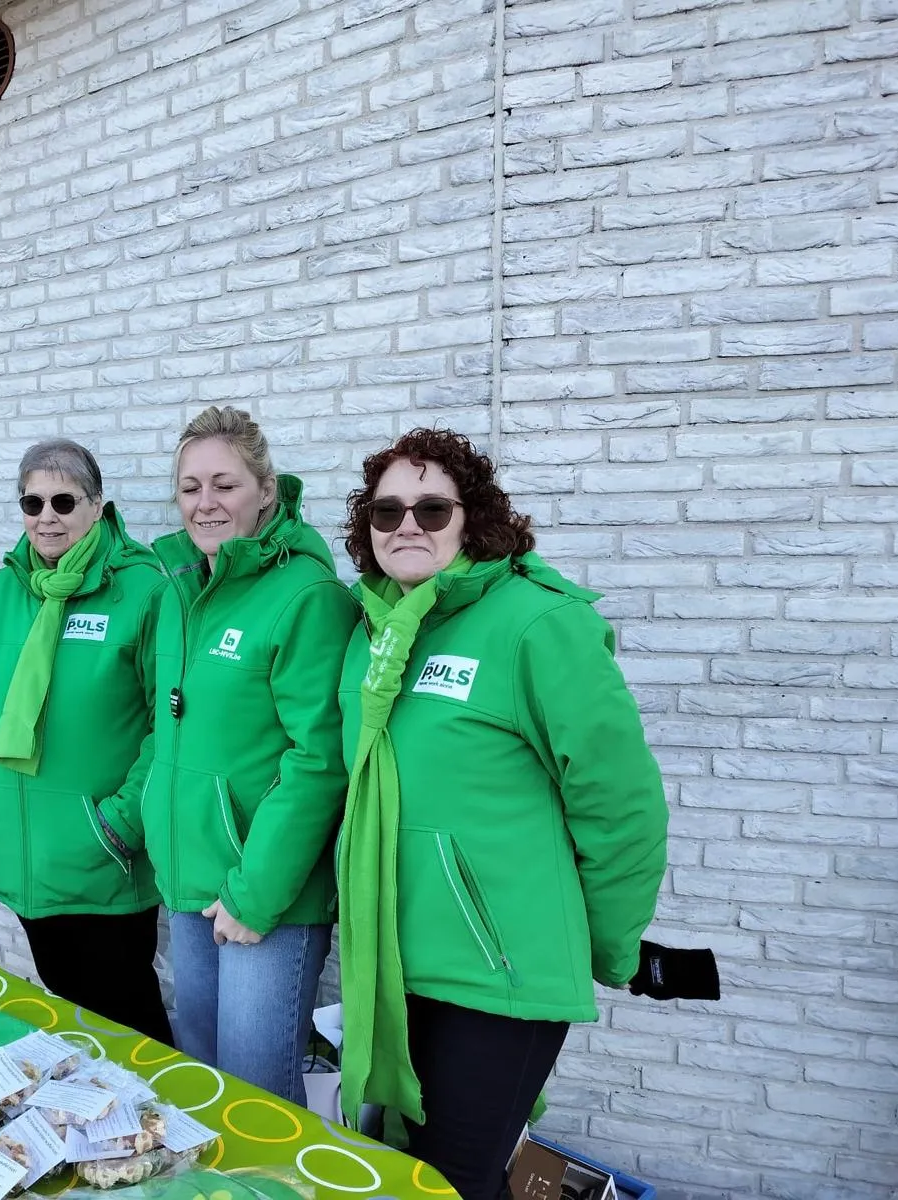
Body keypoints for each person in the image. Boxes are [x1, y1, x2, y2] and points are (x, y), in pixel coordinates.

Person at [334, 428, 668, 1200]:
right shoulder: (378, 633)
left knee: (452, 1185)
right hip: (393, 964)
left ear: (473, 517)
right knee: (399, 1175)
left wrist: (608, 949)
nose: (407, 524)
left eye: (431, 507)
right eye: (386, 512)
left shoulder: (537, 623)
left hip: (498, 975)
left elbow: (620, 806)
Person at [100, 406, 358, 1103]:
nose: (205, 503)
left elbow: (320, 760)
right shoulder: (181, 586)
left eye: (225, 484)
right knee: (206, 1076)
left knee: (258, 1092)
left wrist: (255, 894)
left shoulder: (307, 596)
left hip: (262, 894)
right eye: (190, 487)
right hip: (189, 883)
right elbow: (171, 725)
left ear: (266, 491)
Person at [0, 440, 173, 1043]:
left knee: (130, 1030)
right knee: (72, 1020)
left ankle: (163, 1133)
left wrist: (117, 824)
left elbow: (166, 726)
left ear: (97, 507)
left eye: (64, 500)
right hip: (16, 855)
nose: (48, 515)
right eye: (33, 501)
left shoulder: (143, 593)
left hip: (99, 862)